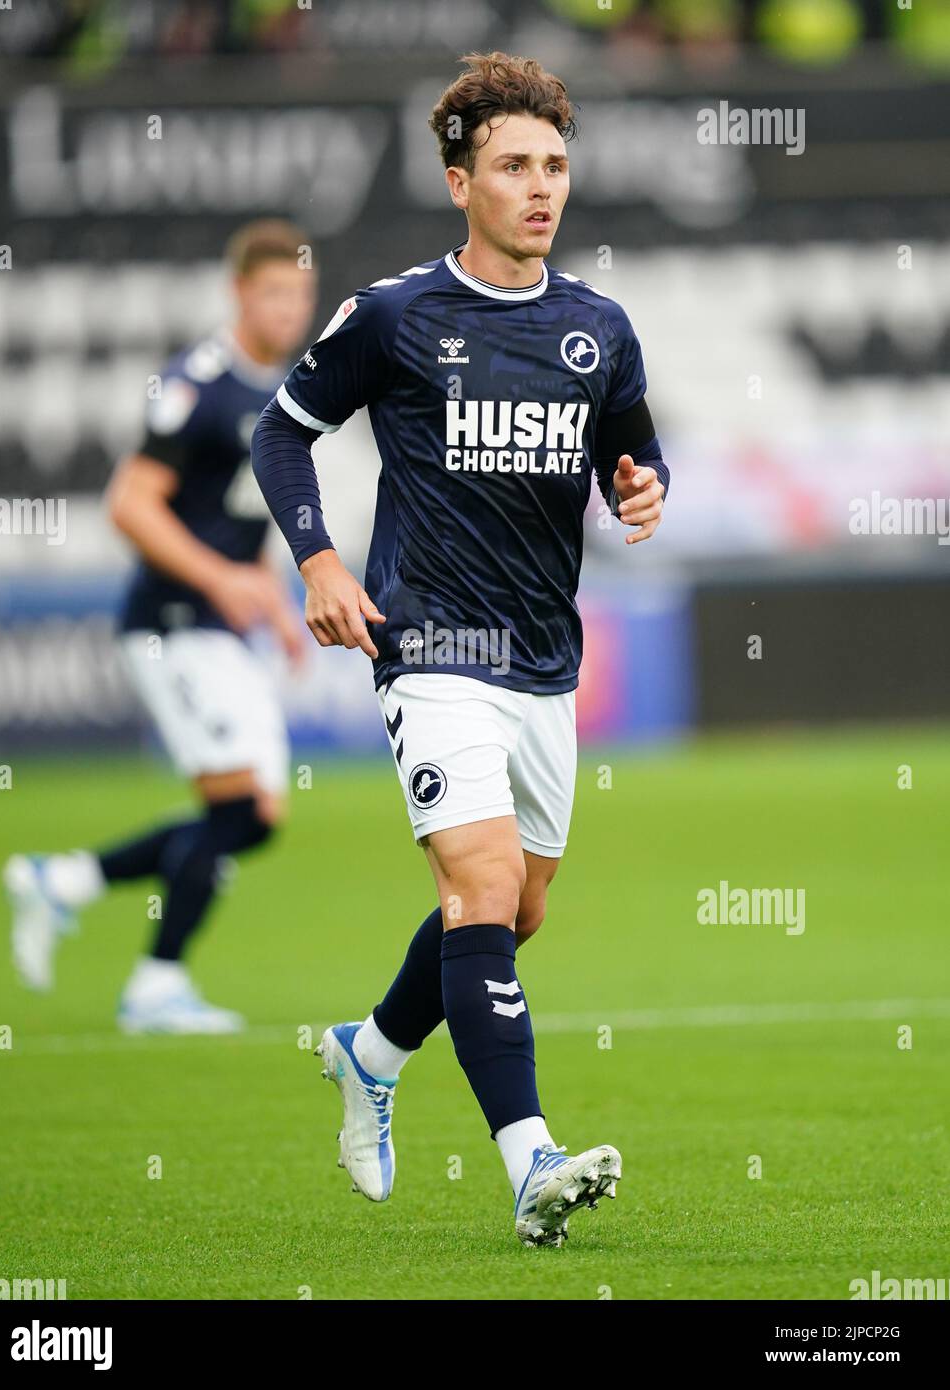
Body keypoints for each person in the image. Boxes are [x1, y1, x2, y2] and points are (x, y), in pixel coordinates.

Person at [252, 53, 669, 1245]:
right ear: (457, 183)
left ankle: (369, 1049)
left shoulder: (598, 328)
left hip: (543, 659)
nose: (541, 188)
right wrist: (320, 562)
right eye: (512, 167)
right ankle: (530, 1163)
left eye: (552, 165)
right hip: (428, 644)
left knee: (513, 911)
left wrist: (640, 489)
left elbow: (629, 454)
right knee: (478, 888)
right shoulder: (392, 317)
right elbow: (281, 437)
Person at [5, 220, 315, 1034]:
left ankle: (66, 881)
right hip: (174, 622)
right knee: (235, 808)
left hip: (221, 625)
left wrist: (274, 605)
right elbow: (129, 504)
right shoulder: (198, 382)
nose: (289, 308)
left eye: (300, 294)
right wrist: (221, 582)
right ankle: (154, 984)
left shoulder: (276, 388)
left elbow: (240, 519)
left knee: (253, 817)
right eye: (274, 292)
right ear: (240, 293)